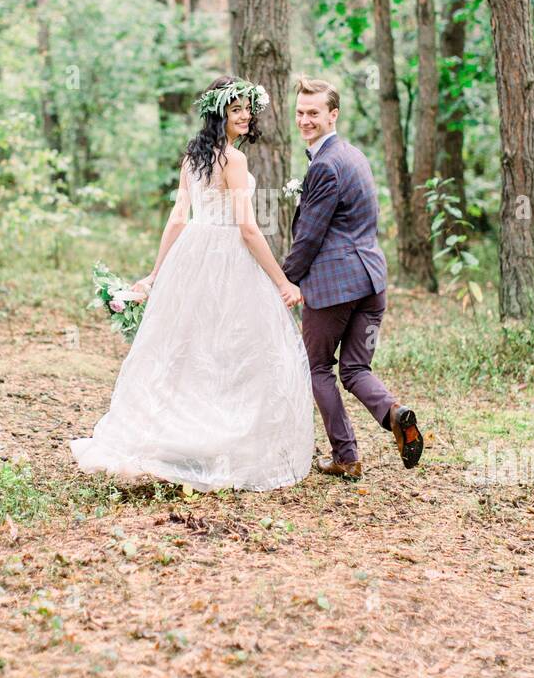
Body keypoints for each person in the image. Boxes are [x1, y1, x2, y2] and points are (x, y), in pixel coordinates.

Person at [69, 76, 314, 491]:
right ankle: (211, 439)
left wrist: (160, 272)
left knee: (192, 347)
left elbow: (180, 219)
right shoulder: (233, 161)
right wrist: (281, 281)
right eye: (236, 108)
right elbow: (249, 229)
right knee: (225, 347)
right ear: (219, 112)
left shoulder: (193, 157)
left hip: (193, 256)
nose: (244, 115)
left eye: (247, 109)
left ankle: (189, 436)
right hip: (226, 257)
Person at [282, 76, 424, 478]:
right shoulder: (354, 155)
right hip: (372, 283)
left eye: (313, 113)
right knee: (356, 369)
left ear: (333, 114)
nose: (305, 120)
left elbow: (309, 236)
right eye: (300, 112)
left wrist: (286, 280)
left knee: (318, 367)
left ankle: (346, 457)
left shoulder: (325, 165)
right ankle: (395, 413)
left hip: (334, 288)